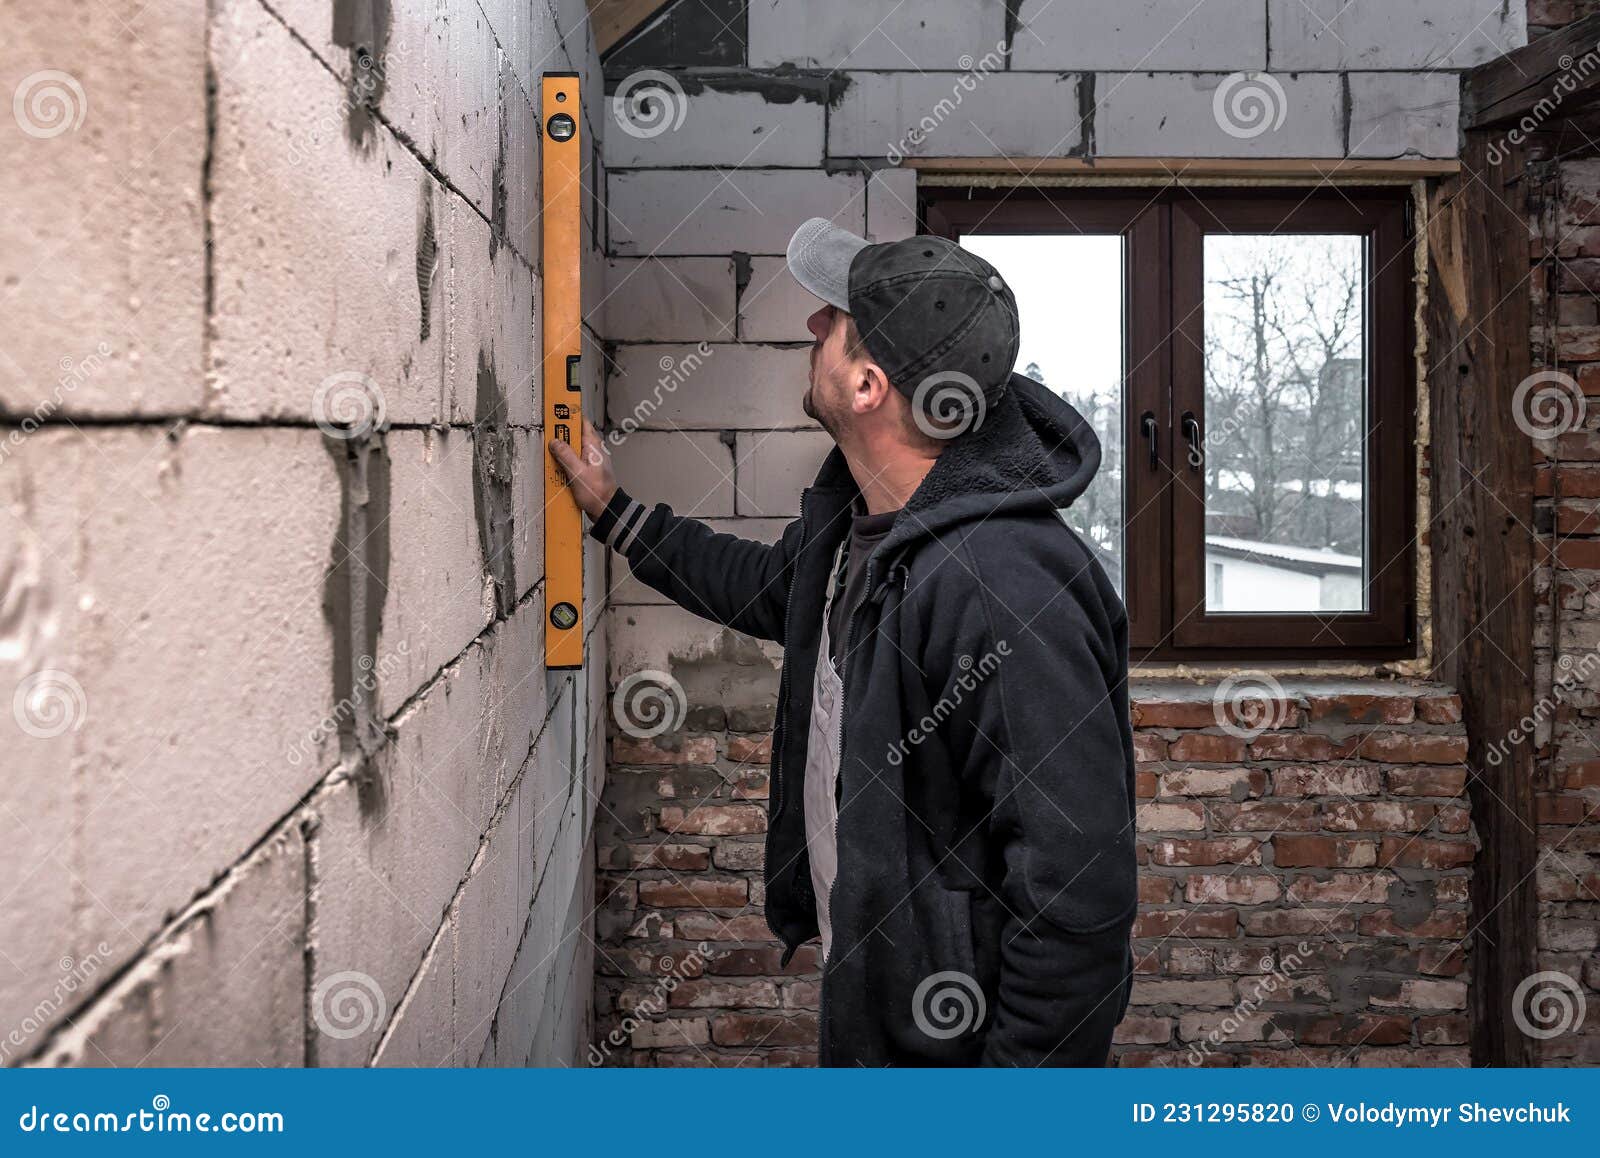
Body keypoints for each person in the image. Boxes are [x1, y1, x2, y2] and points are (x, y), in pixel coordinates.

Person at [551, 217, 1135, 1066]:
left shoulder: (1009, 586)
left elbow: (1077, 902)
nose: (814, 326)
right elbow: (766, 590)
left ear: (867, 386)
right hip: (880, 1008)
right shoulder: (866, 525)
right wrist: (615, 513)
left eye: (836, 320)